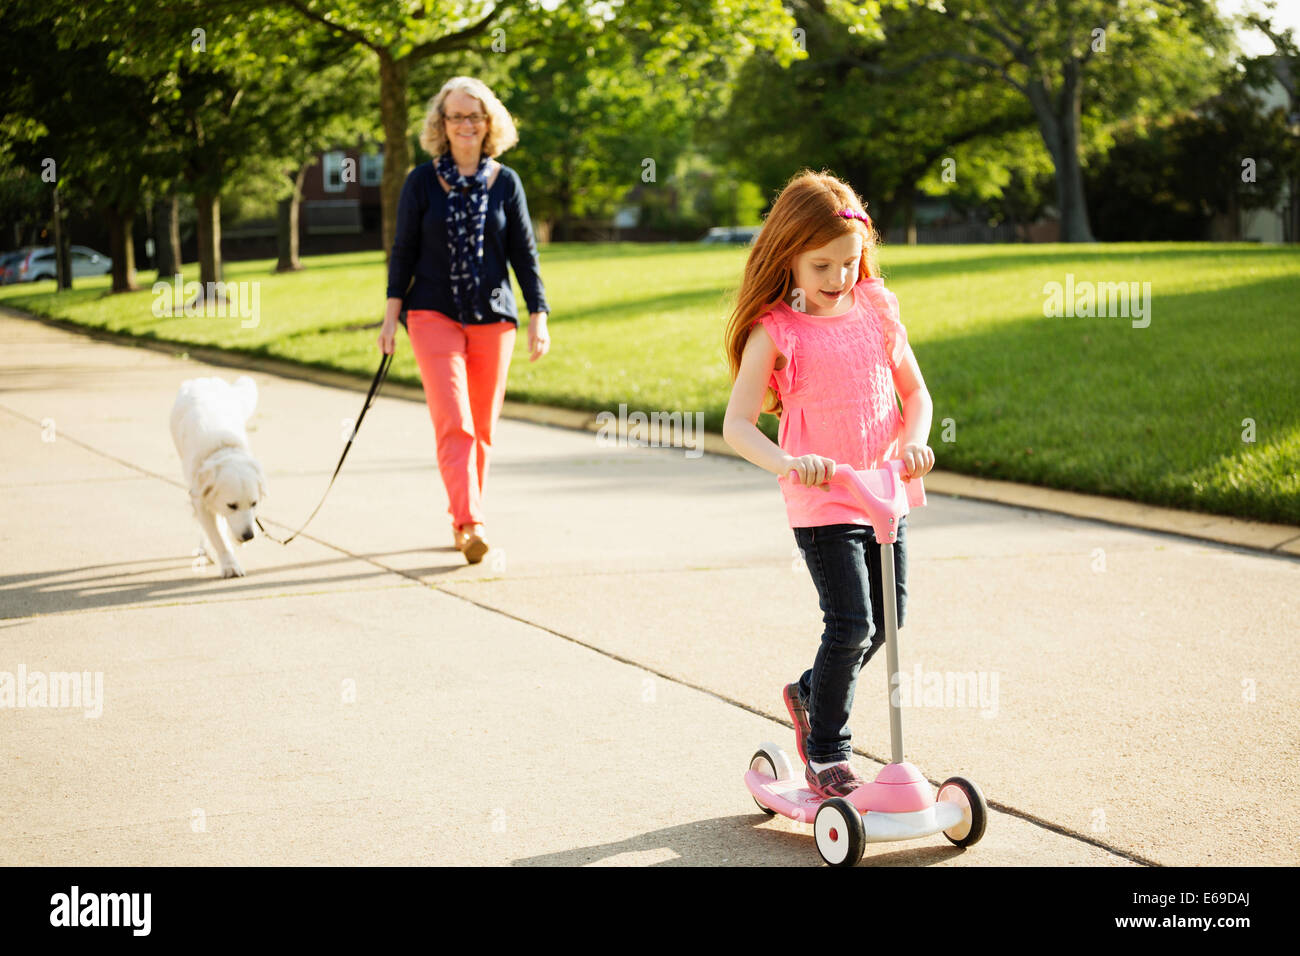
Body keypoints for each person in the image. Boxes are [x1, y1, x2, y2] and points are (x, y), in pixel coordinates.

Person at [722, 169, 935, 798]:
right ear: (788, 255)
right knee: (851, 623)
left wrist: (916, 440)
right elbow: (737, 425)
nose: (840, 277)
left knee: (889, 622)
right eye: (823, 265)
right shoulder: (777, 331)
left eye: (850, 261)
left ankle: (808, 694)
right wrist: (789, 463)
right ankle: (827, 750)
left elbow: (915, 392)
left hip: (884, 491)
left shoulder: (875, 307)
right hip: (822, 498)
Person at [378, 76, 551, 564]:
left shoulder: (506, 182)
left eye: (474, 115)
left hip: (493, 317)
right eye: (455, 116)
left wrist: (539, 314)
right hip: (432, 313)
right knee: (455, 421)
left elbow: (524, 252)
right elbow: (404, 251)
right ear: (441, 124)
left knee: (483, 427)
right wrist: (391, 317)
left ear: (489, 122)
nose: (466, 125)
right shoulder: (420, 182)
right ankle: (470, 522)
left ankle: (464, 514)